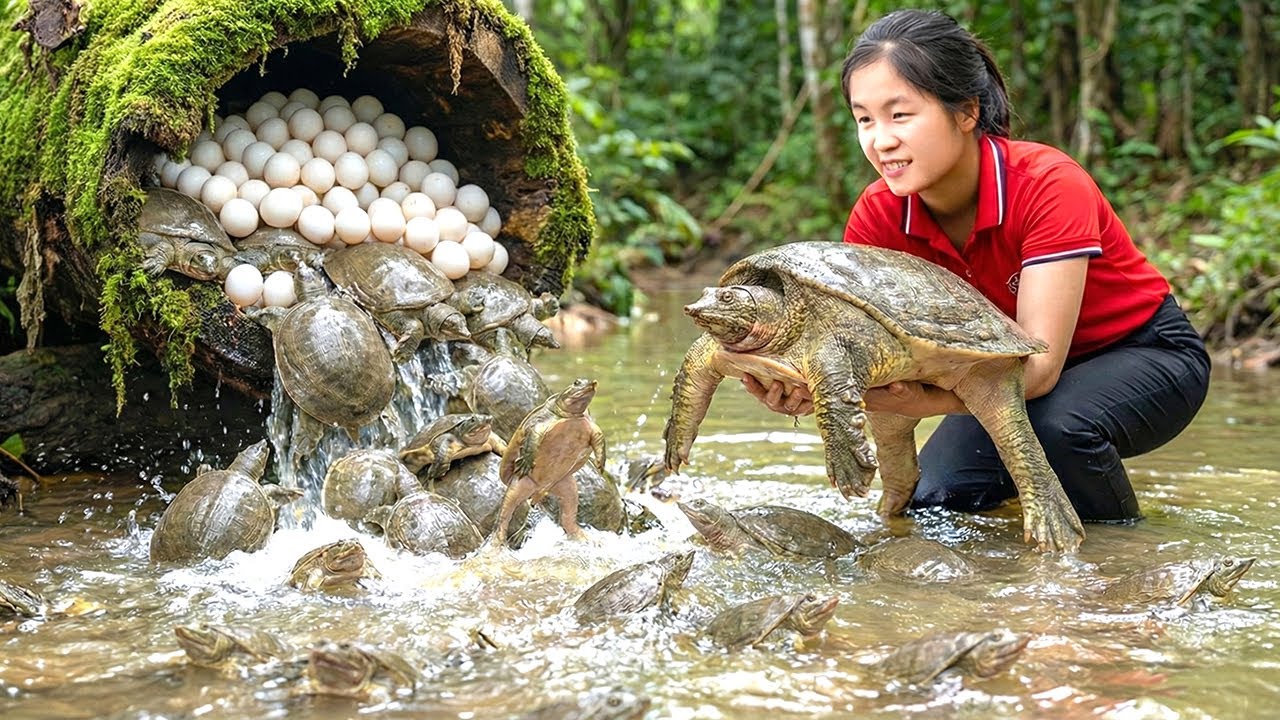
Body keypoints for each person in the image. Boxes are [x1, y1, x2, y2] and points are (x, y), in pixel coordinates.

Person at [742, 9, 1210, 522]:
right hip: (992, 370)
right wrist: (810, 385)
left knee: (1059, 429)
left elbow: (1039, 371)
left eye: (900, 115)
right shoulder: (877, 215)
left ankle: (1122, 555)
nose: (881, 140)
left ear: (966, 112)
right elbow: (864, 349)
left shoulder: (1048, 184)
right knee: (934, 504)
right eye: (864, 119)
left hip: (1144, 354)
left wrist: (921, 403)